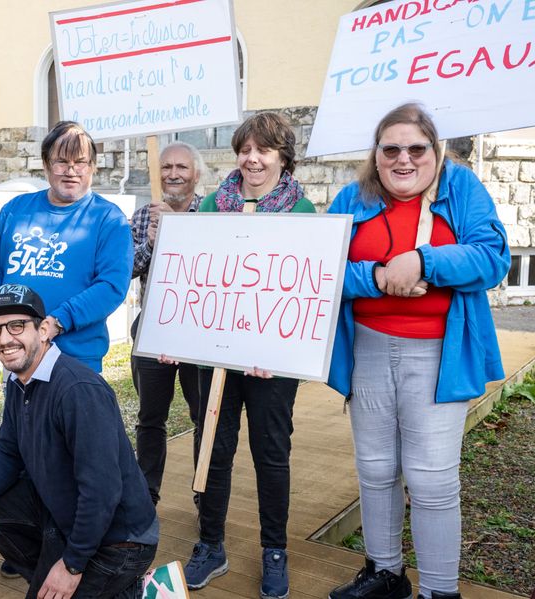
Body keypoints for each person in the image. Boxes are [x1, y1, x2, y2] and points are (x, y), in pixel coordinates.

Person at [325, 103, 510, 599]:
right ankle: (385, 573)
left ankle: (439, 590)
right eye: (391, 149)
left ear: (435, 149)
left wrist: (423, 260)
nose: (403, 159)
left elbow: (492, 258)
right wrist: (380, 278)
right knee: (376, 467)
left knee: (430, 479)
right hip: (368, 348)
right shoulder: (352, 196)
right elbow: (321, 268)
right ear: (376, 154)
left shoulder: (461, 188)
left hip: (437, 353)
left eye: (415, 148)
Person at [179, 112, 315, 599]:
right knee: (211, 445)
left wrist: (272, 347)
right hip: (217, 356)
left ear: (283, 156)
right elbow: (197, 276)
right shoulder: (216, 203)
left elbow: (301, 292)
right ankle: (210, 543)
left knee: (271, 452)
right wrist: (183, 337)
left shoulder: (301, 212)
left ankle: (274, 551)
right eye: (246, 149)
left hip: (270, 361)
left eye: (264, 150)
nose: (253, 158)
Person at [0, 284, 159, 599]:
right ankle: (63, 578)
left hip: (120, 542)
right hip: (65, 518)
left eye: (17, 326)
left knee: (58, 583)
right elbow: (8, 452)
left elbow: (102, 491)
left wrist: (71, 566)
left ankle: (126, 587)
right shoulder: (19, 380)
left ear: (43, 330)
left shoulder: (78, 390)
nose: (5, 338)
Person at [0, 120, 132, 374]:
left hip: (76, 359)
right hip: (18, 353)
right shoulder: (15, 210)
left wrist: (59, 320)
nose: (71, 170)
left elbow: (111, 286)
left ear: (92, 166)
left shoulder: (108, 219)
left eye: (80, 161)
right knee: (20, 415)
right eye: (61, 161)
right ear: (47, 164)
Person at [129, 141, 205, 506]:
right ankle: (146, 495)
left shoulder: (213, 213)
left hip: (199, 331)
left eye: (182, 167)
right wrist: (151, 243)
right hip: (154, 327)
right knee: (150, 417)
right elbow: (126, 269)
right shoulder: (144, 216)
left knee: (203, 415)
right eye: (166, 167)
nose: (173, 174)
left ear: (196, 175)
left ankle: (205, 492)